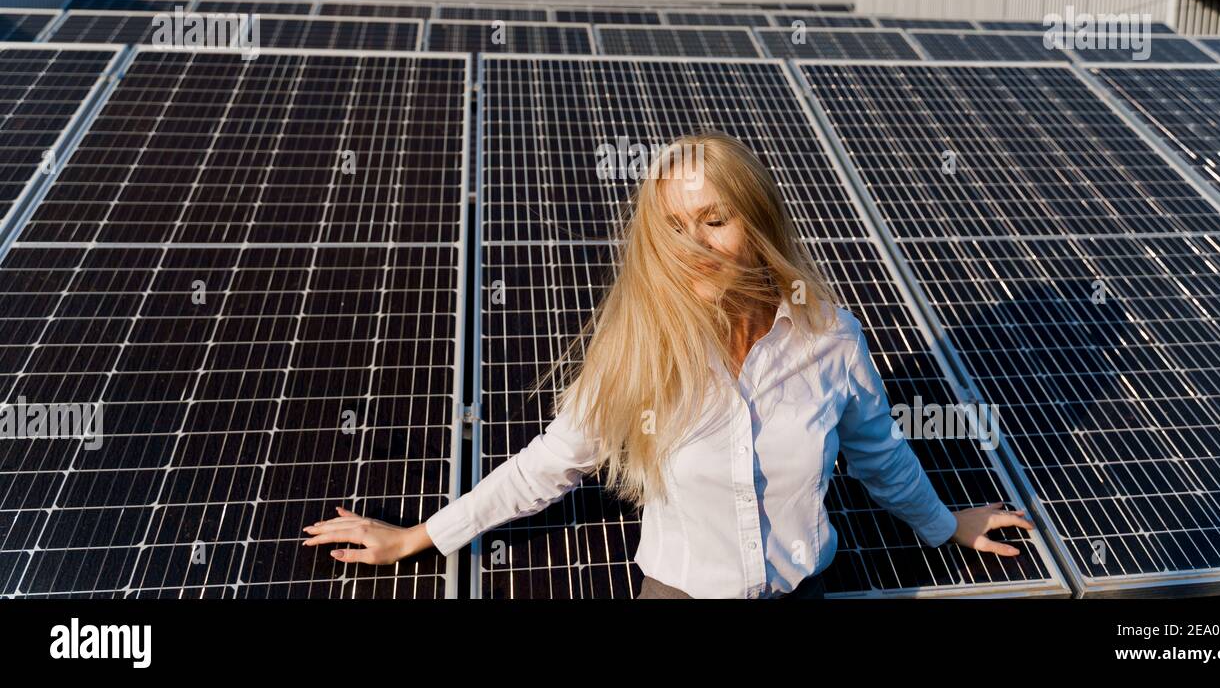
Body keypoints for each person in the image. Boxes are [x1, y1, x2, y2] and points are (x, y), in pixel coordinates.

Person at [305, 131, 1034, 598]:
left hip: (808, 587)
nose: (692, 246)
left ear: (760, 224)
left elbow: (881, 456)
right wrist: (416, 538)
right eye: (673, 229)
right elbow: (546, 467)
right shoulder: (639, 353)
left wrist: (945, 526)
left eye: (715, 220)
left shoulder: (831, 341)